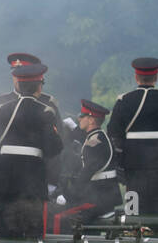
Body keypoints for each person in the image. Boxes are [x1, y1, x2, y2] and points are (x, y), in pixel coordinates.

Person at [0, 63, 63, 239]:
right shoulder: (45, 111)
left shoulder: (2, 109)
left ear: (18, 84)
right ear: (39, 86)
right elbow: (54, 149)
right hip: (32, 178)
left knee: (6, 228)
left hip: (4, 177)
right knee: (32, 230)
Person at [107, 57, 158, 215]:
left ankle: (132, 233)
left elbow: (113, 131)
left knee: (133, 205)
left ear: (136, 77)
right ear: (156, 77)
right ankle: (155, 234)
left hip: (133, 162)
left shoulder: (124, 100)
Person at [51, 99, 121, 232]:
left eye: (82, 116)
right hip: (100, 195)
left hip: (100, 199)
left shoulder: (95, 142)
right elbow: (81, 137)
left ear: (91, 120)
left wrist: (67, 196)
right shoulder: (97, 137)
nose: (79, 118)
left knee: (61, 218)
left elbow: (86, 173)